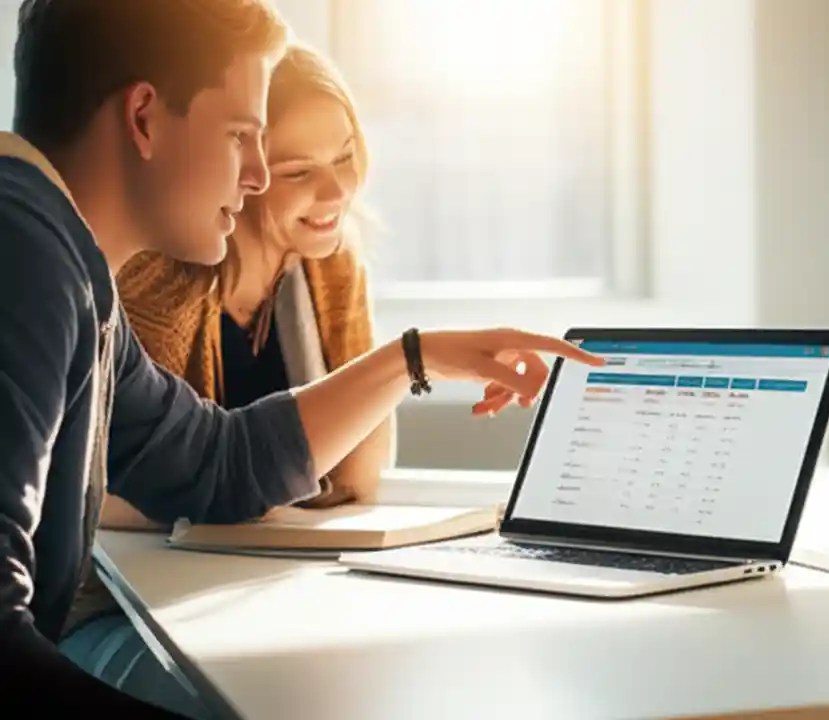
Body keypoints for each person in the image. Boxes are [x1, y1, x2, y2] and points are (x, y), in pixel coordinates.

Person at [0, 0, 601, 716]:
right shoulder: (24, 252)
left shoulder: (67, 266)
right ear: (144, 119)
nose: (256, 177)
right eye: (240, 135)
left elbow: (217, 464)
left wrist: (415, 357)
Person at [112, 44, 389, 516]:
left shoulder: (331, 261)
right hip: (155, 568)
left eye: (344, 158)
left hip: (277, 561)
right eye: (299, 171)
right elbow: (126, 490)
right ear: (245, 173)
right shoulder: (155, 280)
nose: (338, 192)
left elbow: (360, 476)